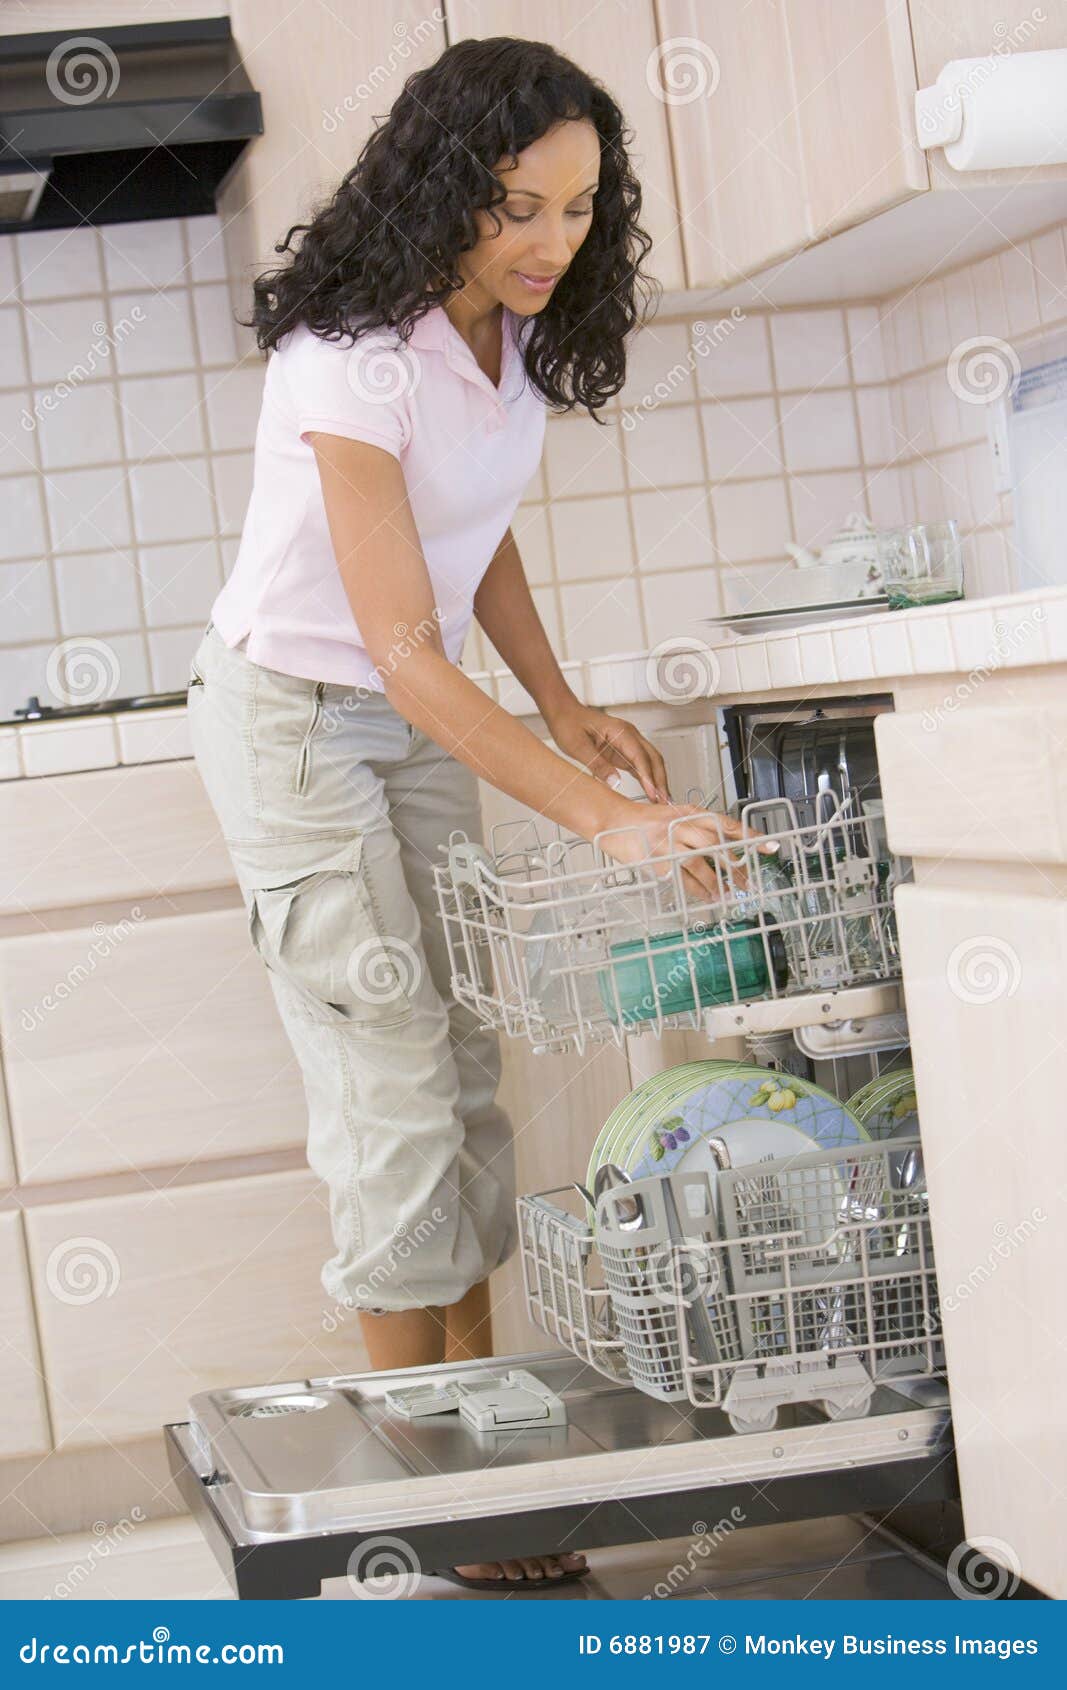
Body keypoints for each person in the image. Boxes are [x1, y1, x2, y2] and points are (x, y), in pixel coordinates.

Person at [187, 34, 745, 1590]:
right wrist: (594, 812)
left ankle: (481, 1454)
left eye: (576, 208)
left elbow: (471, 536)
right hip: (300, 717)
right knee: (392, 1089)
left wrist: (559, 699)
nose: (550, 241)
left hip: (411, 715)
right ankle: (426, 1496)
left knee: (466, 1071)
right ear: (448, 187)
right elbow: (397, 644)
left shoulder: (502, 342)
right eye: (517, 204)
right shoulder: (349, 358)